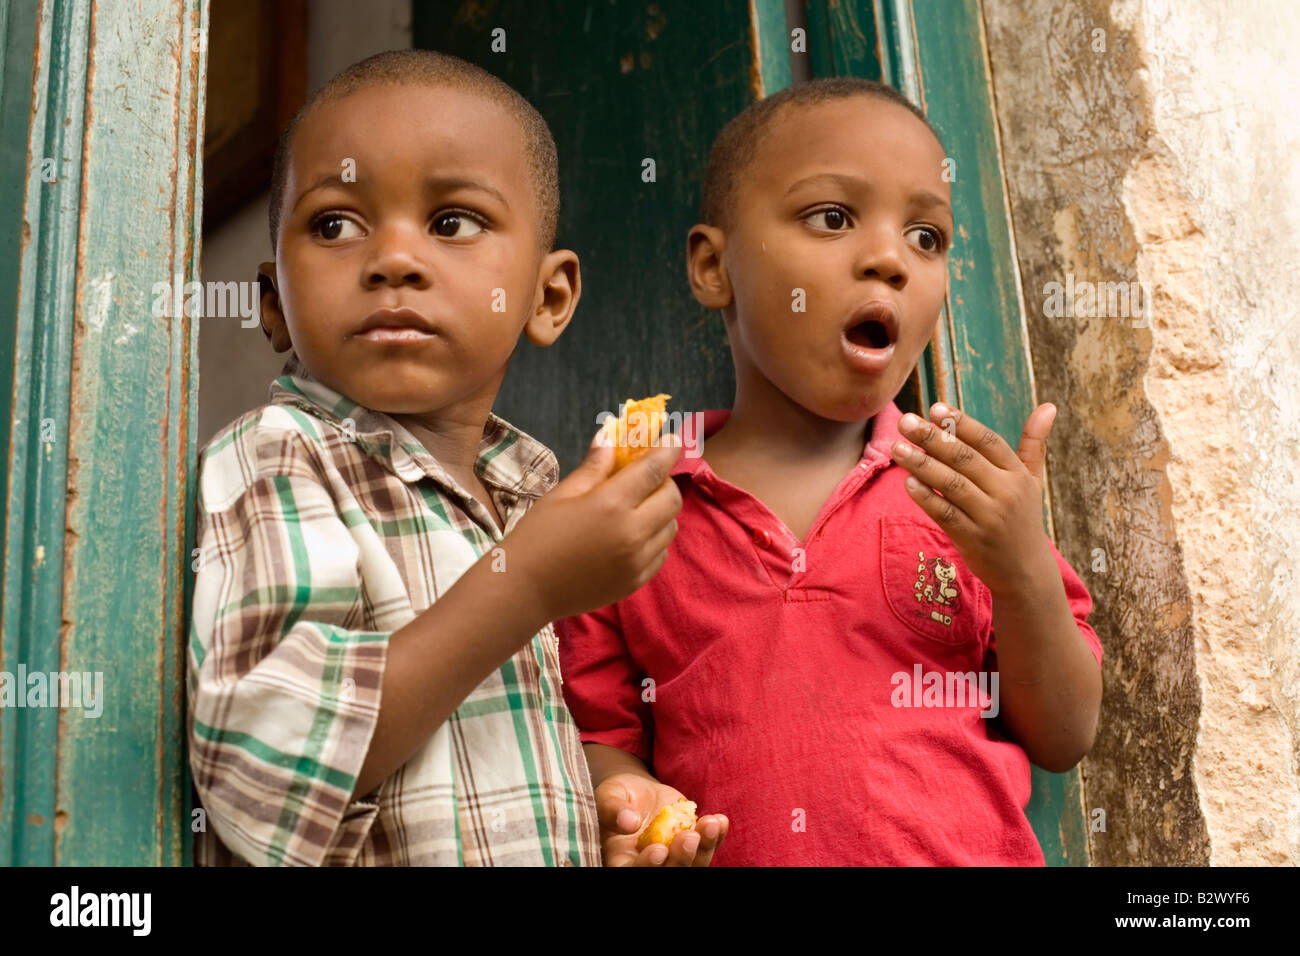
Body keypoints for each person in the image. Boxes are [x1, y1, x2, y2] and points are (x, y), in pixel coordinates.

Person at [558, 78, 1104, 866]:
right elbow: (597, 739)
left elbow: (1064, 733)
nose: (888, 259)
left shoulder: (962, 496)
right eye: (833, 217)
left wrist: (1021, 568)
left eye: (927, 237)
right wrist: (632, 800)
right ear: (714, 267)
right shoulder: (633, 511)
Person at [187, 49, 682, 866]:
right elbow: (261, 775)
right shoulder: (277, 458)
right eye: (335, 224)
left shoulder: (534, 503)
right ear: (274, 305)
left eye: (451, 222)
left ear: (547, 297)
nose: (394, 261)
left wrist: (609, 817)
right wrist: (524, 584)